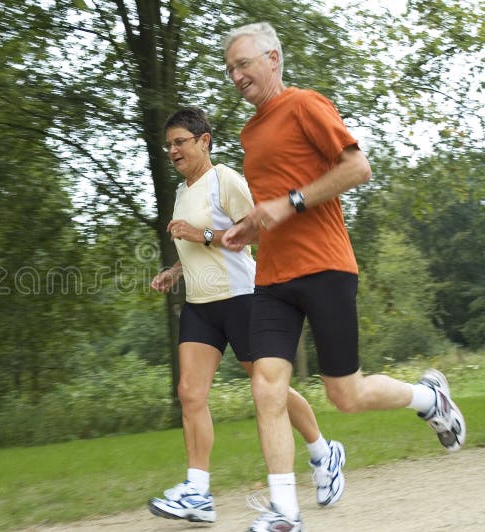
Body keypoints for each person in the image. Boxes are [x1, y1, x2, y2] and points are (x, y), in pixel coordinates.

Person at [220, 22, 466, 532]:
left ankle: (430, 398)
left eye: (243, 64)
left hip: (325, 267)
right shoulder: (249, 132)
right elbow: (274, 208)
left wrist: (289, 203)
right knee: (266, 386)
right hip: (273, 278)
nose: (236, 75)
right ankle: (284, 511)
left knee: (345, 395)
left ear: (273, 59)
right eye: (229, 69)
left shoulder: (305, 104)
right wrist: (250, 228)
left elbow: (358, 168)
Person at [146, 107, 346, 524]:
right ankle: (198, 492)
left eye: (180, 142)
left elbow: (254, 232)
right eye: (169, 146)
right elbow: (196, 244)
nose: (173, 151)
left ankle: (323, 452)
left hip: (241, 297)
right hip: (200, 305)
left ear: (204, 140)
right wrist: (175, 271)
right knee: (189, 393)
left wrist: (200, 234)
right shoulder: (182, 191)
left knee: (269, 389)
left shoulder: (225, 180)